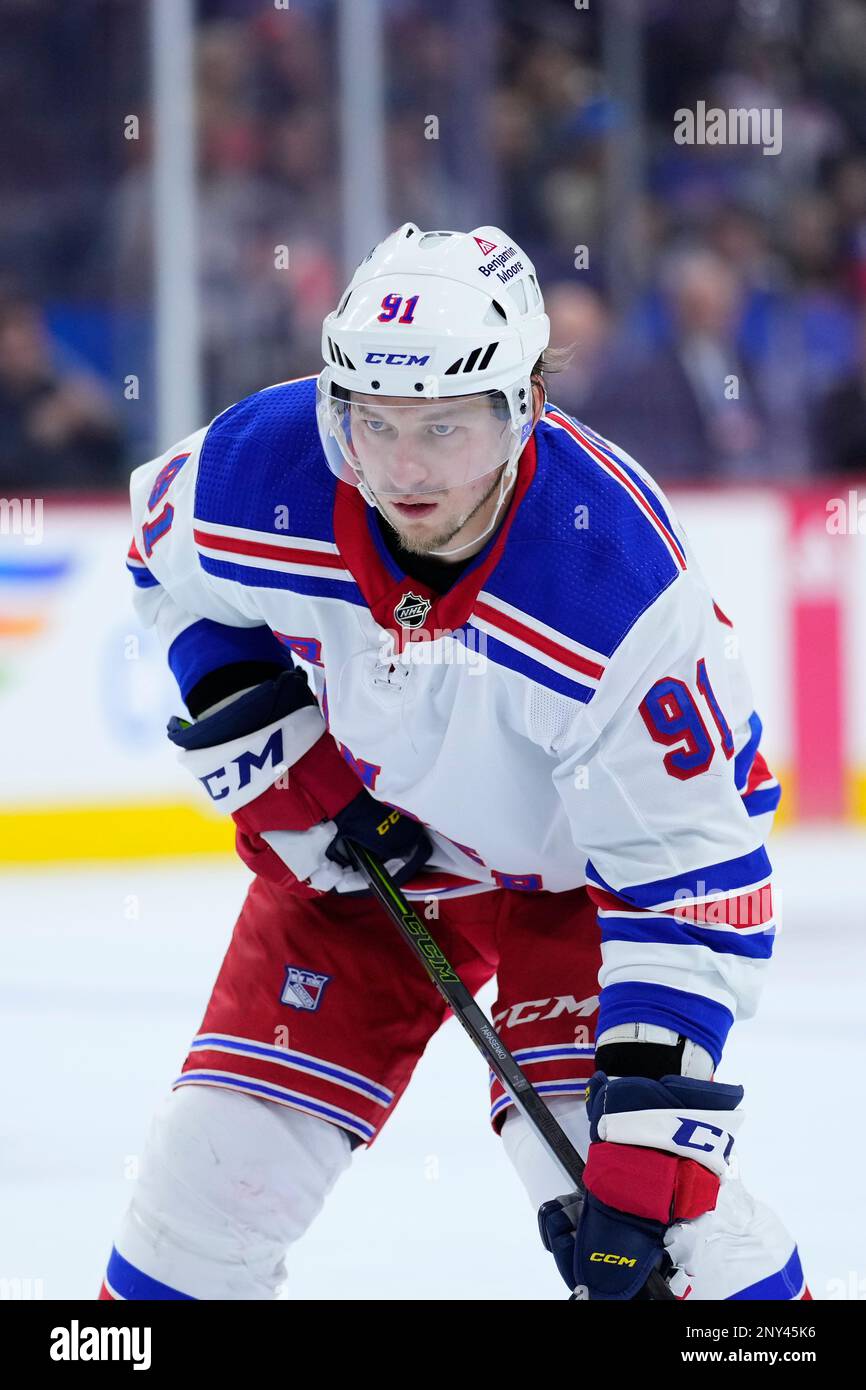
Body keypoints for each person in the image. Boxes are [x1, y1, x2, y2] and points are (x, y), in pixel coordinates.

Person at [101, 223, 808, 1301]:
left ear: (522, 409)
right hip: (371, 862)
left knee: (658, 1233)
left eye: (447, 426)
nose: (403, 469)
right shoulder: (266, 463)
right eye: (372, 425)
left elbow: (691, 879)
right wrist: (294, 766)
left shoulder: (612, 587)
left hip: (585, 887)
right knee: (204, 1187)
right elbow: (166, 568)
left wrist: (642, 1150)